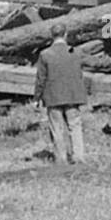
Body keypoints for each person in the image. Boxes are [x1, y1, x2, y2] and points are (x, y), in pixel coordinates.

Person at [34, 22, 88, 164]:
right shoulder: (75, 52)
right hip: (72, 96)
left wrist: (37, 97)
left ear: (52, 36)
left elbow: (41, 78)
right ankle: (78, 158)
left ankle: (61, 159)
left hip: (53, 97)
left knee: (56, 129)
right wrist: (110, 62)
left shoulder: (45, 54)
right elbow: (93, 62)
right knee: (75, 127)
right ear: (65, 35)